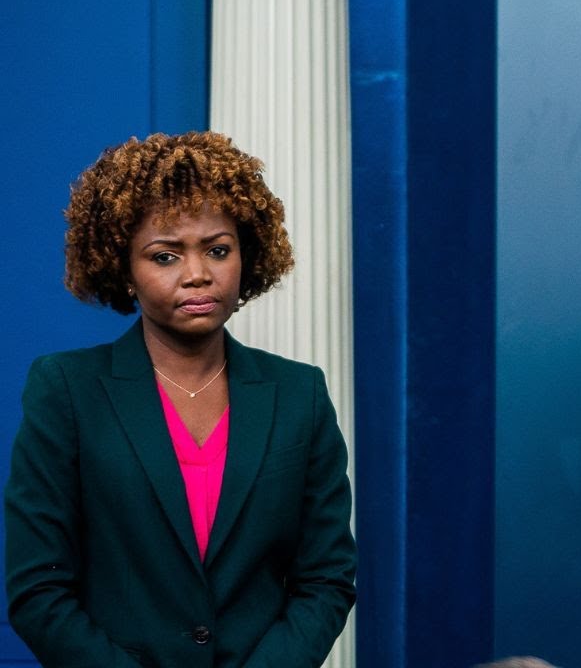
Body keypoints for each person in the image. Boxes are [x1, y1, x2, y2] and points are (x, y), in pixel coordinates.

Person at [5, 132, 356, 666]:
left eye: (218, 250)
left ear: (247, 255)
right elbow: (38, 590)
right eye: (165, 256)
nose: (197, 274)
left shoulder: (299, 393)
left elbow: (326, 579)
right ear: (123, 267)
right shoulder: (67, 389)